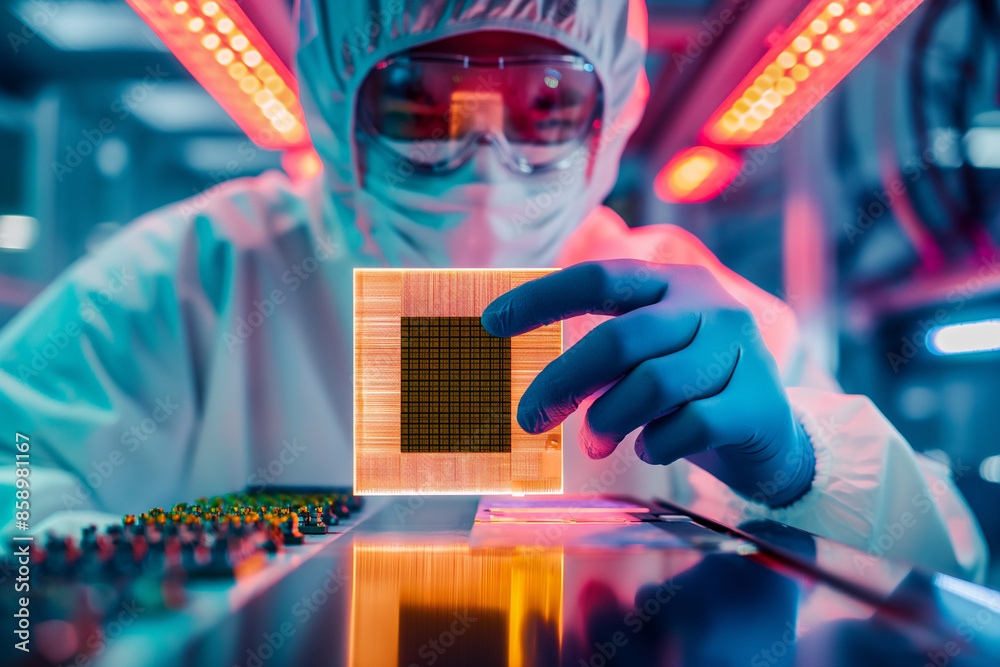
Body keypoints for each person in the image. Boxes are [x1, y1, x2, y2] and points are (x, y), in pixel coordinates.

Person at [0, 0, 987, 581]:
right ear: (337, 103)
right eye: (421, 103)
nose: (483, 162)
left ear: (608, 118)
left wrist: (801, 464)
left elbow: (954, 570)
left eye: (542, 104)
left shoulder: (682, 311)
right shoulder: (195, 276)